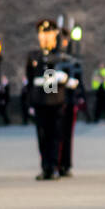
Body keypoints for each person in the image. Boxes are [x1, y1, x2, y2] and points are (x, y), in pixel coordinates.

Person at [26, 19, 69, 180]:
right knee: (42, 136)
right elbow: (30, 82)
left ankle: (54, 166)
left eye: (48, 33)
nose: (44, 37)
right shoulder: (34, 56)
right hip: (40, 101)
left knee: (55, 135)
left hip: (56, 101)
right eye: (42, 33)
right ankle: (45, 167)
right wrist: (29, 102)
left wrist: (62, 78)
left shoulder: (59, 55)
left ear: (54, 35)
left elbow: (67, 73)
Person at [57, 37, 84, 176]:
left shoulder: (73, 62)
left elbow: (79, 84)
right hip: (56, 102)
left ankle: (65, 164)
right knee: (55, 136)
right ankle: (54, 164)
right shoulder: (52, 61)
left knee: (66, 136)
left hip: (68, 102)